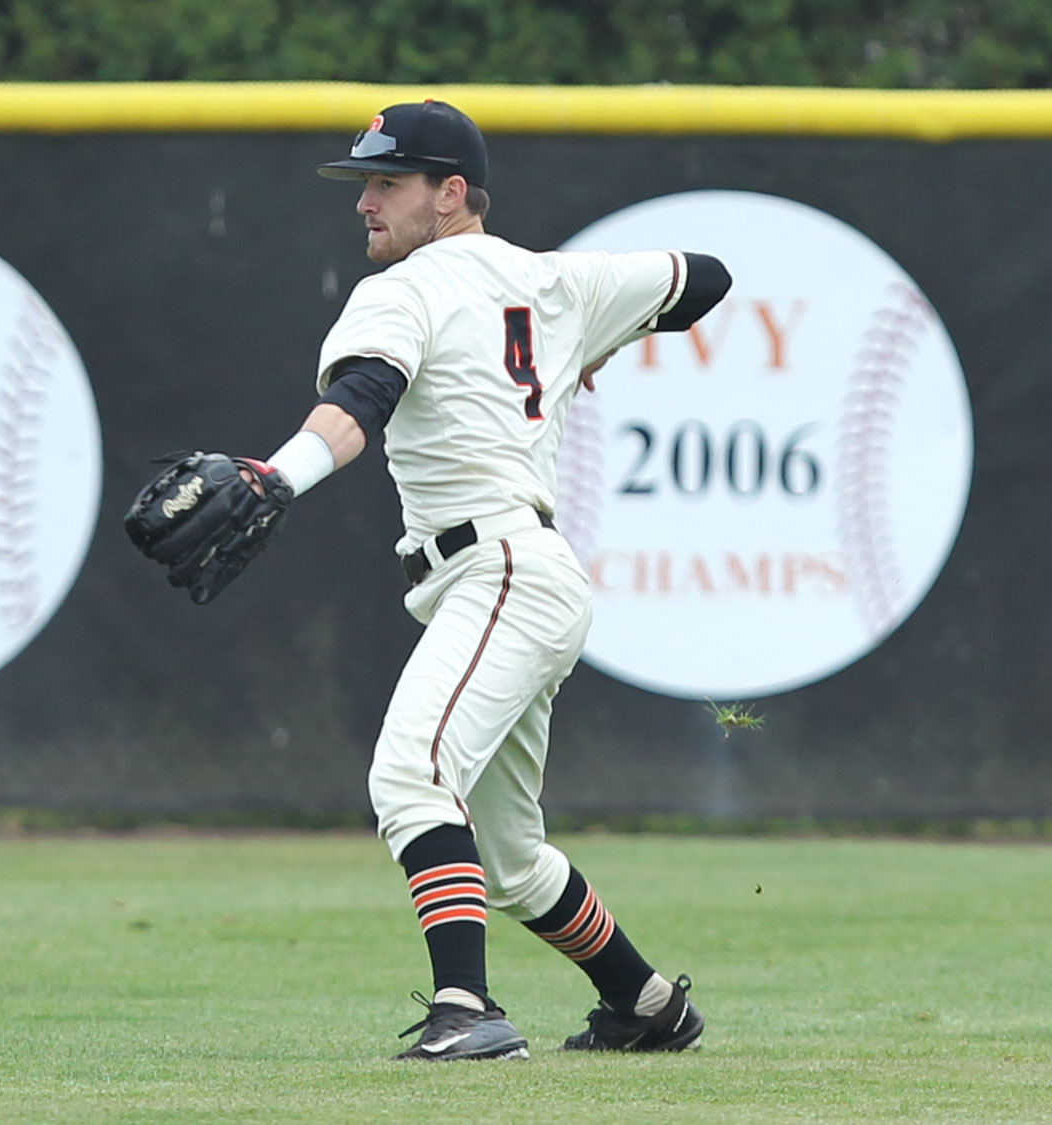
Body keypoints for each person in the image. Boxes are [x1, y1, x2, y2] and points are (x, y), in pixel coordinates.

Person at [252, 99, 732, 1060]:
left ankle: (465, 1008)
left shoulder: (406, 289)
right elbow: (705, 279)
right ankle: (645, 1004)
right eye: (363, 183)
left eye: (387, 182)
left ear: (452, 192)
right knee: (510, 860)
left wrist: (275, 477)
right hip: (524, 574)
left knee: (411, 774)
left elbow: (358, 406)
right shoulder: (558, 279)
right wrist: (585, 342)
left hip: (500, 569)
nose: (366, 203)